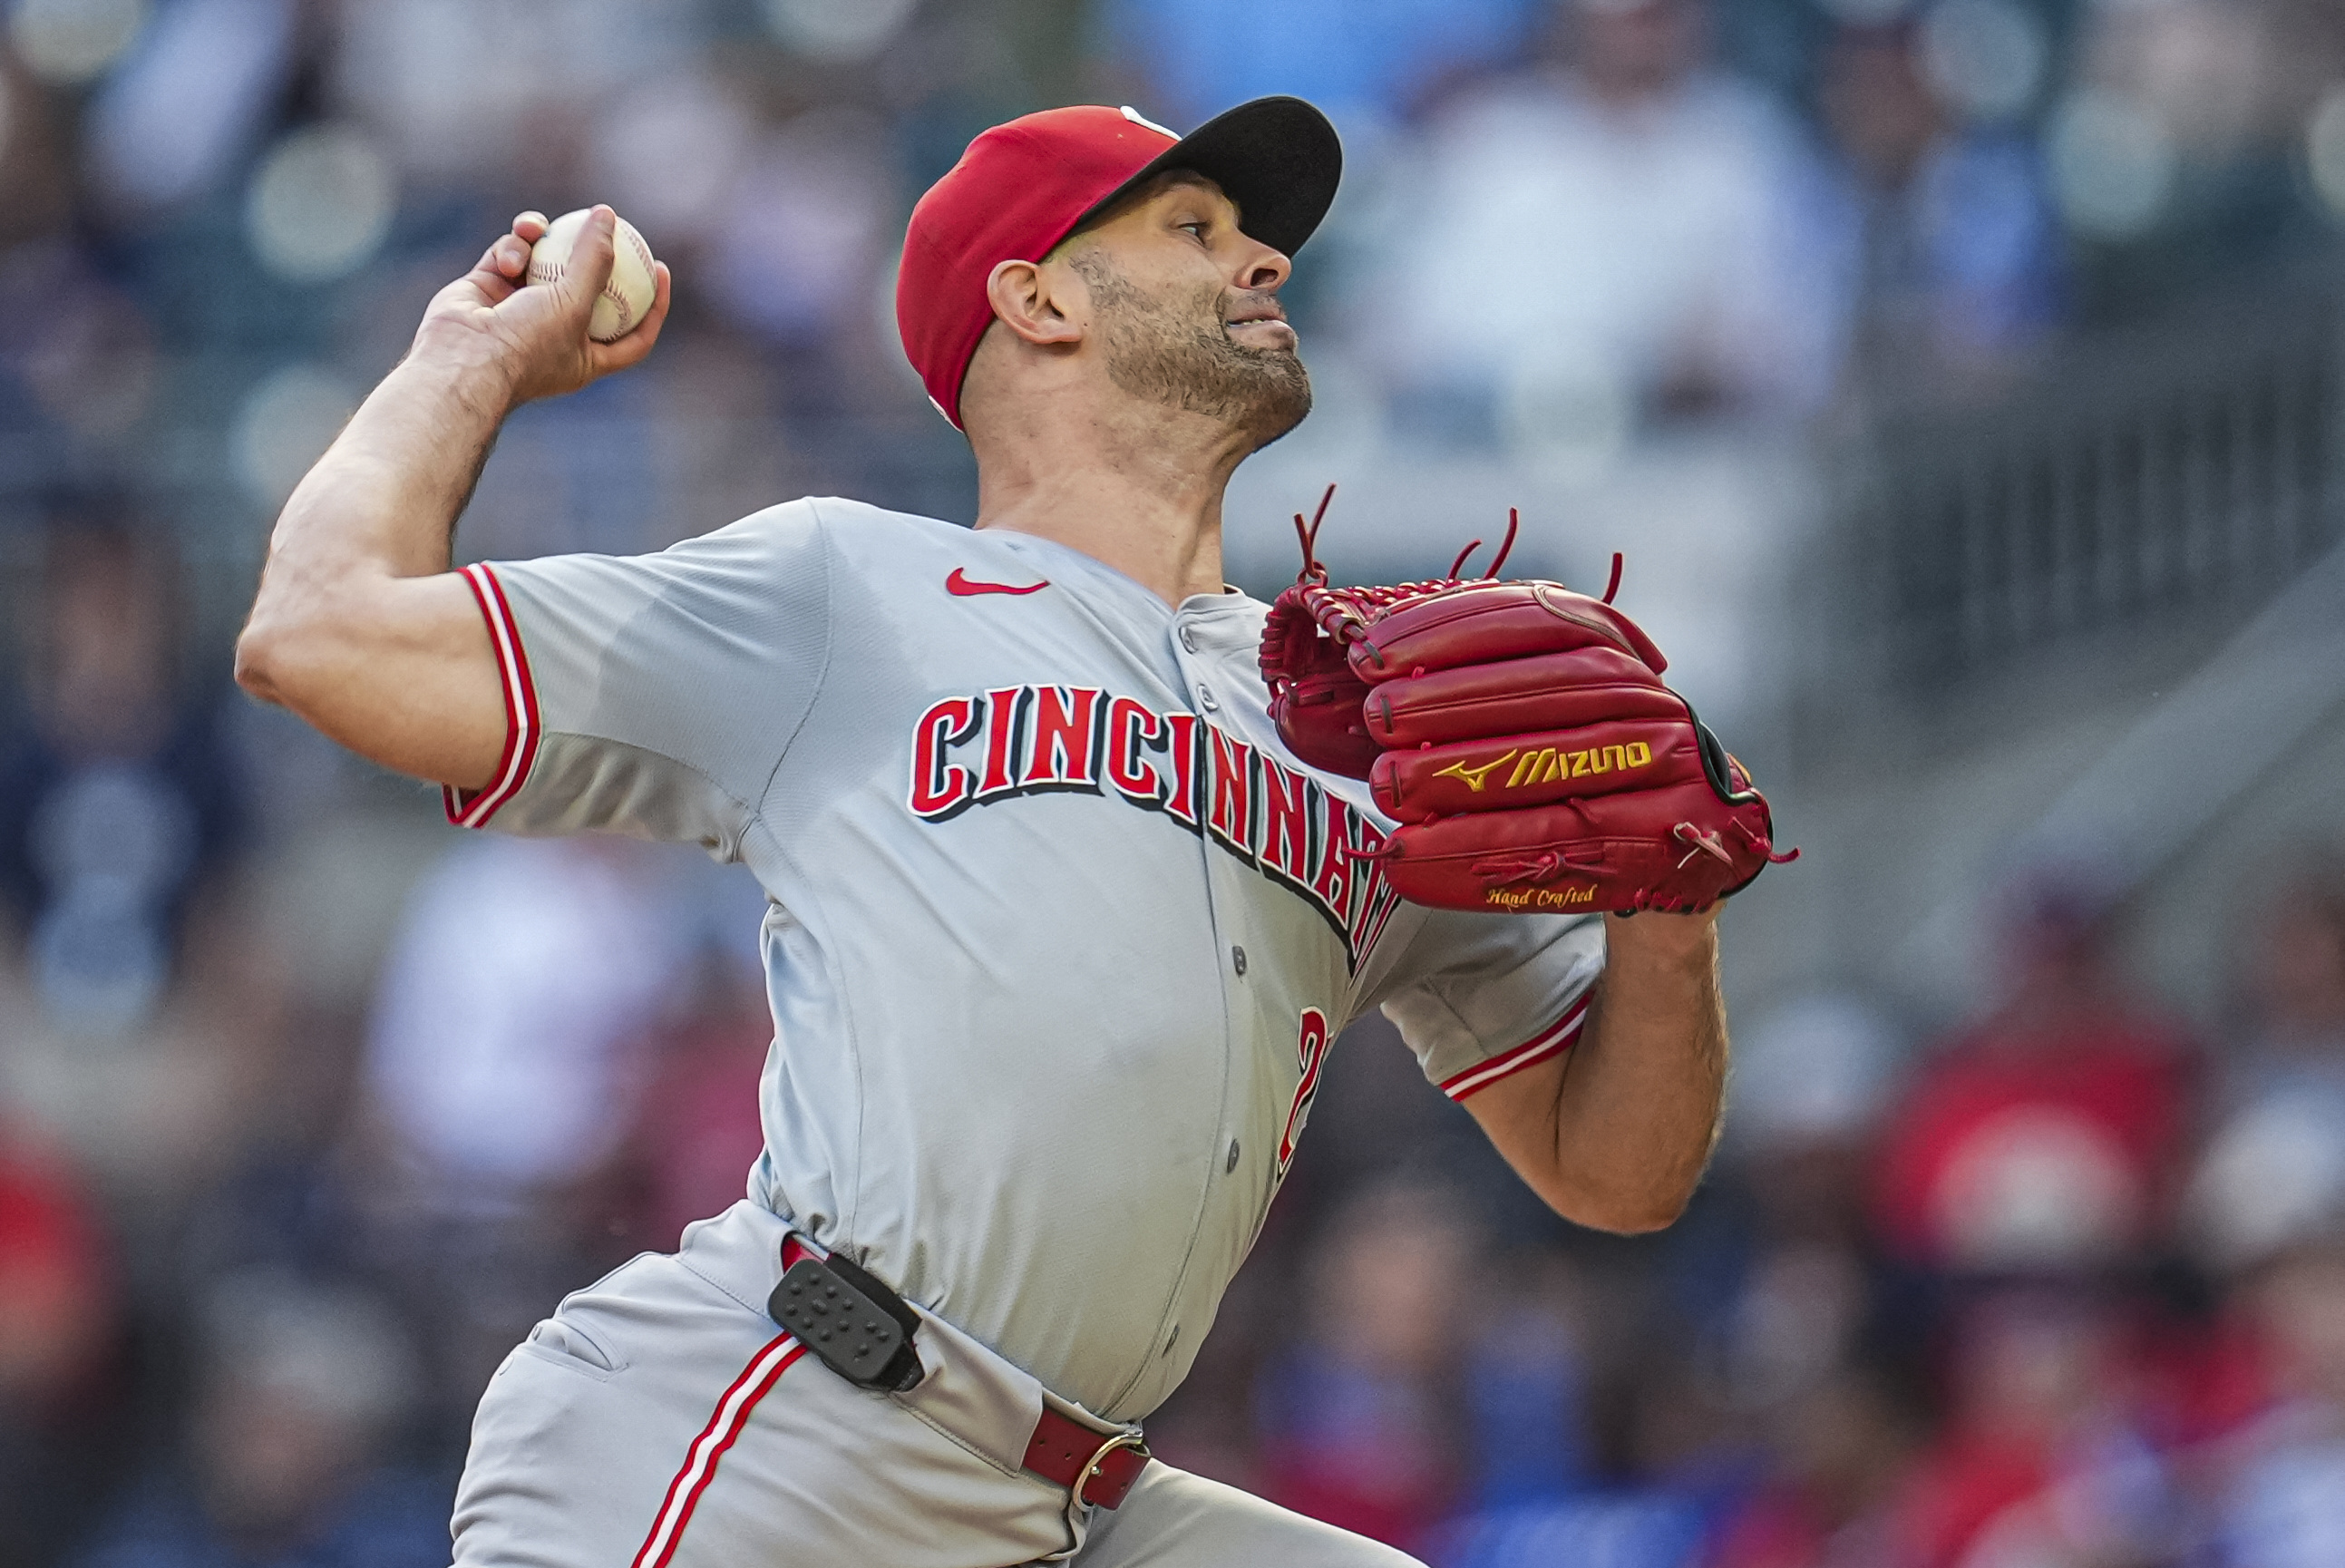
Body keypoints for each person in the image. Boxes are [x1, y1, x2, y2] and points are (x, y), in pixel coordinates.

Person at [233, 96, 1732, 1567]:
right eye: (1194, 227)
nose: (1263, 260)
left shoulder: (1350, 734)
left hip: (1066, 1503)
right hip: (776, 1431)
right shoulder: (848, 589)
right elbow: (319, 633)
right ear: (1037, 300)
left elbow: (1617, 1172)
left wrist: (1667, 920)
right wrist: (469, 358)